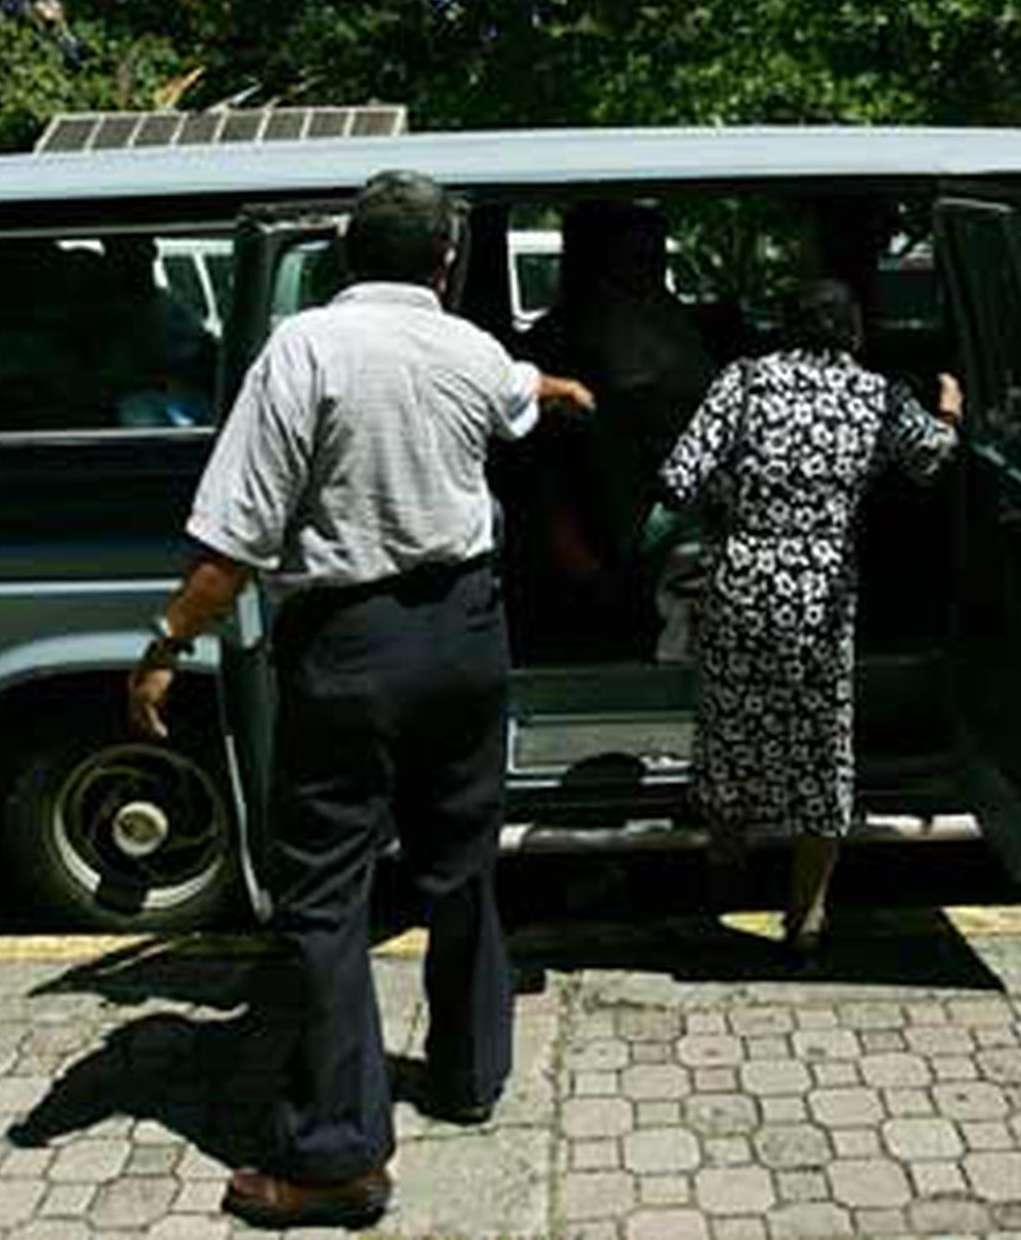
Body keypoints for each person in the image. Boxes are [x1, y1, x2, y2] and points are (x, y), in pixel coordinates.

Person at [127, 170, 593, 1230]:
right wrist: (569, 392)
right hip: (467, 636)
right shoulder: (468, 348)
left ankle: (337, 1156)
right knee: (460, 861)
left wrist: (164, 644)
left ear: (346, 253)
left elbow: (235, 540)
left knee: (327, 894)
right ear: (446, 261)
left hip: (350, 648)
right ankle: (468, 1074)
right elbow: (523, 392)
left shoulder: (302, 351)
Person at [658, 277, 961, 959]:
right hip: (821, 595)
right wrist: (950, 410)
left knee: (732, 737)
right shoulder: (878, 394)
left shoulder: (742, 382)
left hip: (740, 580)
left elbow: (677, 478)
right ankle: (806, 920)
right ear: (855, 333)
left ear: (785, 327)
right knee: (821, 753)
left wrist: (736, 492)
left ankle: (724, 887)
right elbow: (934, 460)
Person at [517, 202, 717, 659]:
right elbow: (547, 468)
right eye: (639, 258)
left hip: (679, 510)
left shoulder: (678, 322)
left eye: (655, 258)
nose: (651, 270)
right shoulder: (566, 339)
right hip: (607, 513)